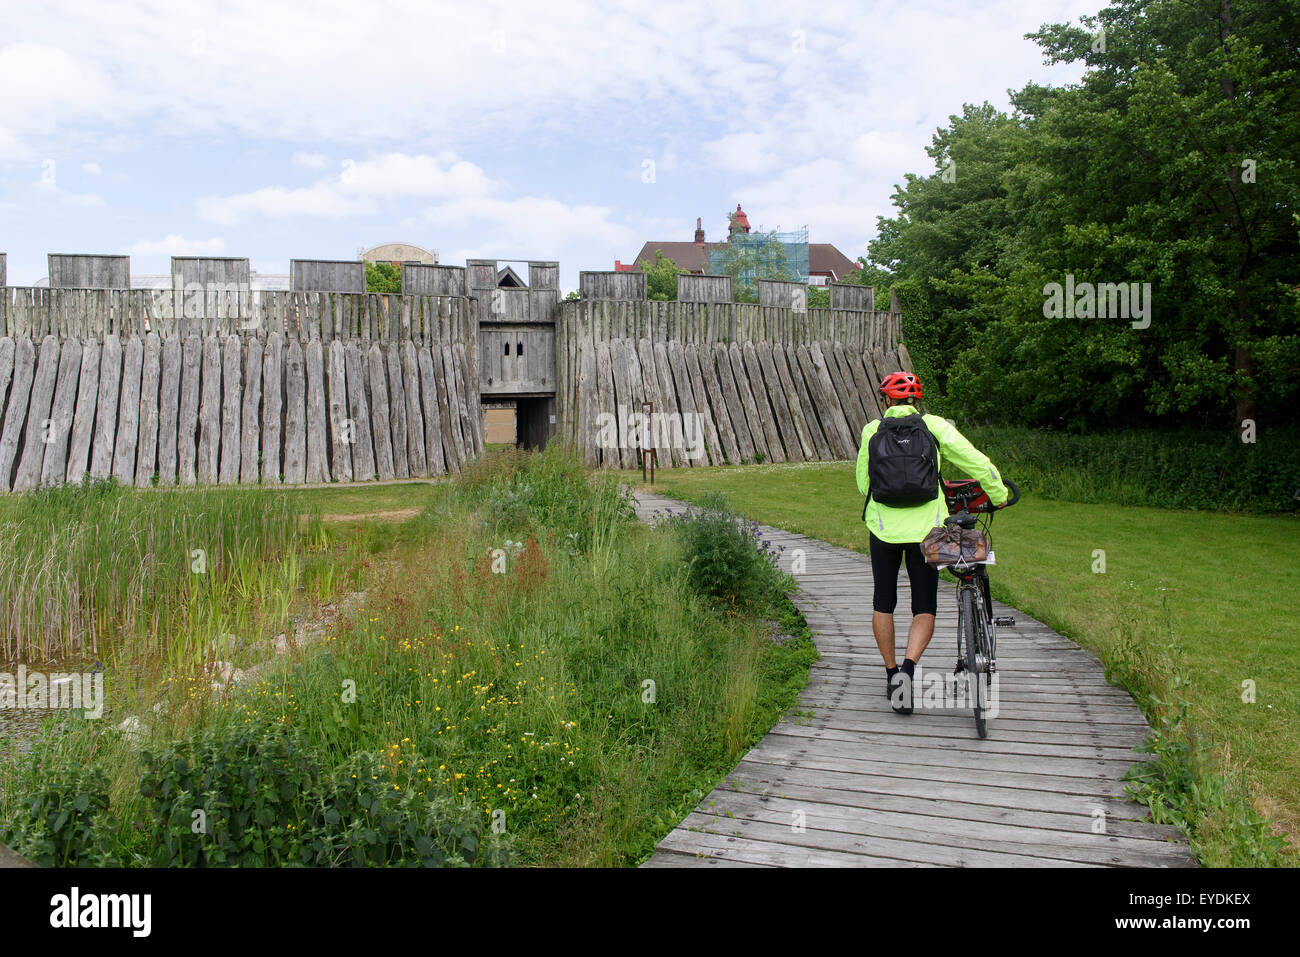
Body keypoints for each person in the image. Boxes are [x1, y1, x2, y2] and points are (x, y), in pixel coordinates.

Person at [855, 371, 1008, 714]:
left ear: (886, 401)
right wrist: (997, 493)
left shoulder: (871, 431)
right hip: (928, 533)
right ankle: (910, 668)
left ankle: (892, 673)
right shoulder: (935, 426)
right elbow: (976, 461)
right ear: (916, 401)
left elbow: (864, 485)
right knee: (924, 605)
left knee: (884, 600)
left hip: (883, 530)